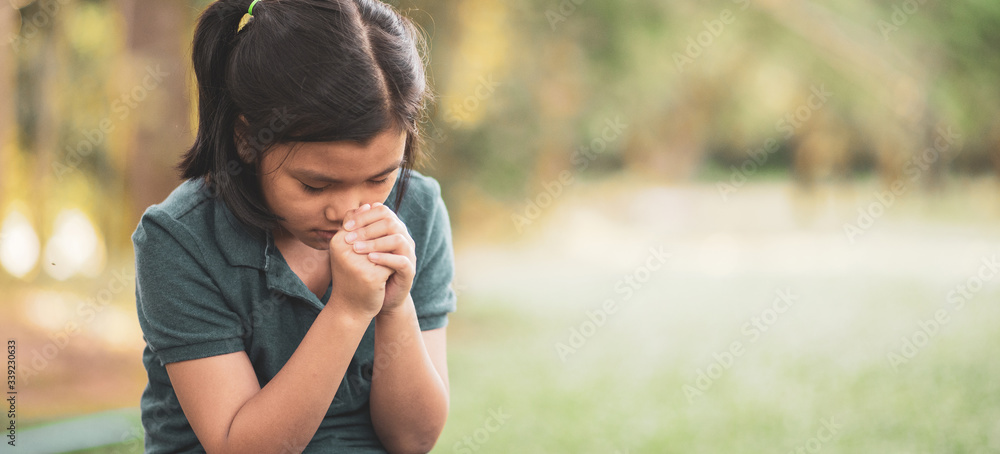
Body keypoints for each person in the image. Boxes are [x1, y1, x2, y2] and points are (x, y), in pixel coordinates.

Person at [132, 0, 455, 452]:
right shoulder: (181, 241)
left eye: (380, 178)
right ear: (246, 140)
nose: (348, 211)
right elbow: (240, 447)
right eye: (316, 185)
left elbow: (413, 441)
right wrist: (347, 312)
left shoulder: (417, 210)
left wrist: (395, 308)